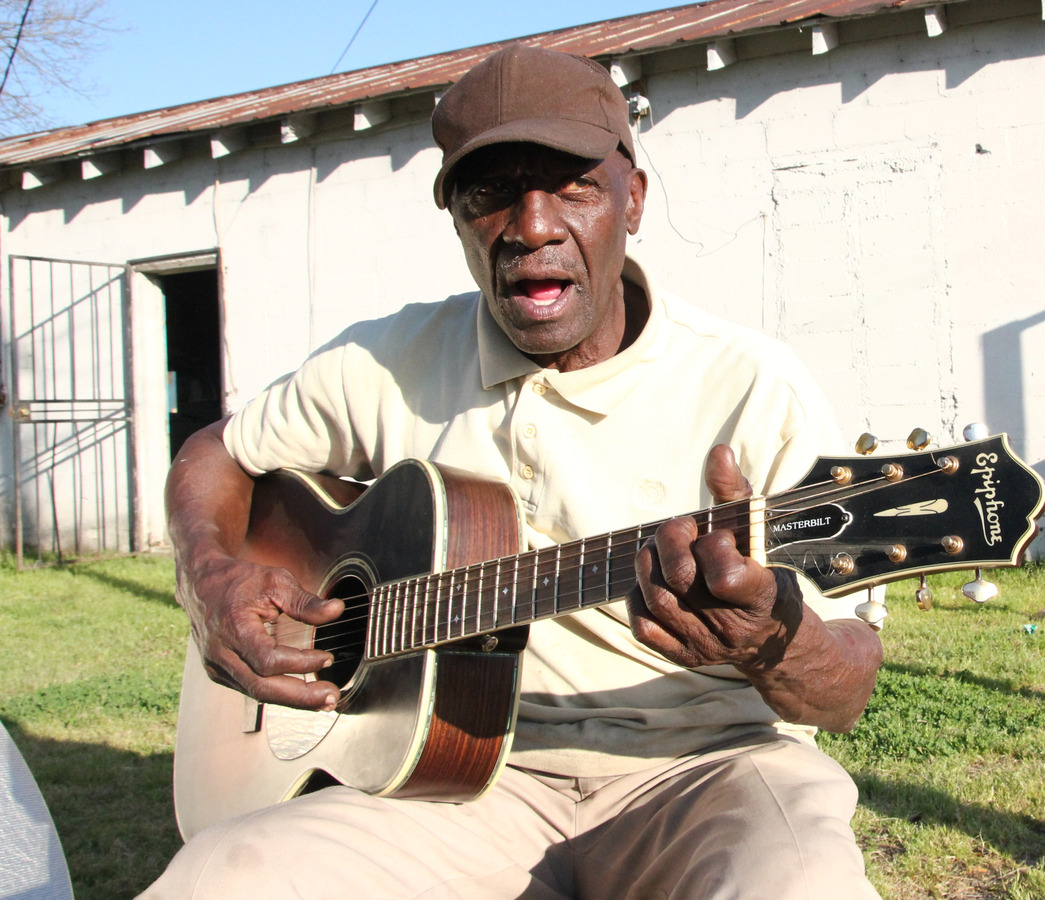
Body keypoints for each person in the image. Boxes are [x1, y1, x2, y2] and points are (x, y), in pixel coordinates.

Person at [143, 44, 884, 900]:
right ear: (458, 217)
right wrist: (208, 578)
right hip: (450, 782)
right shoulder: (385, 361)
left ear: (632, 199)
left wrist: (775, 641)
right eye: (490, 192)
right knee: (217, 881)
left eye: (572, 185)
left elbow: (845, 688)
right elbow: (216, 455)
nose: (531, 226)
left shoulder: (754, 386)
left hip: (706, 772)